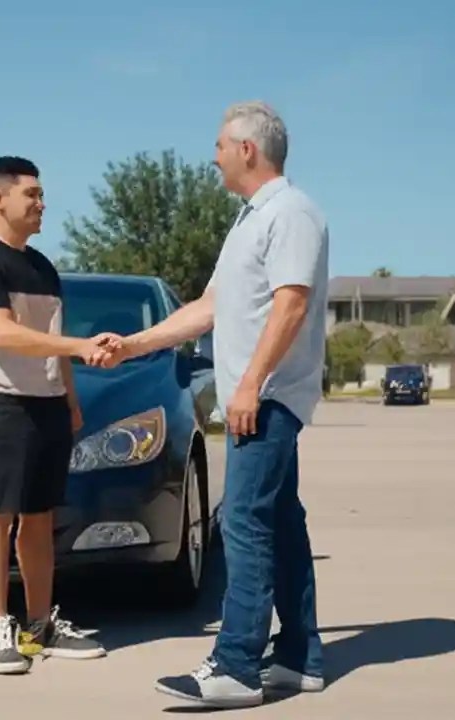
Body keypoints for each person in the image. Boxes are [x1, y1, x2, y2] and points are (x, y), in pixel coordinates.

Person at [96, 101, 329, 708]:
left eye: (221, 146)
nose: (215, 156)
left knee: (245, 524)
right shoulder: (250, 220)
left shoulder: (291, 213)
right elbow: (210, 307)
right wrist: (134, 346)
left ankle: (235, 667)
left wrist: (250, 383)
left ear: (248, 150)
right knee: (279, 521)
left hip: (269, 398)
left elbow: (292, 304)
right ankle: (300, 658)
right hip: (257, 395)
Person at [0, 155, 111, 674]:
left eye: (42, 196)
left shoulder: (43, 267)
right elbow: (2, 333)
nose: (42, 204)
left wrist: (69, 398)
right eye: (33, 195)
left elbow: (51, 345)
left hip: (47, 410)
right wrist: (79, 345)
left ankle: (40, 624)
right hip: (3, 405)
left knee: (40, 520)